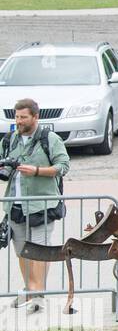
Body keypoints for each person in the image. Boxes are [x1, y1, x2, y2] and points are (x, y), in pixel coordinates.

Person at [2, 98, 71, 314]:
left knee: (39, 251)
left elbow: (63, 166)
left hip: (42, 205)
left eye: (23, 117)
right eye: (17, 116)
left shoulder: (49, 139)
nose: (19, 121)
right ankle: (30, 290)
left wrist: (37, 171)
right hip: (15, 205)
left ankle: (38, 295)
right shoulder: (9, 139)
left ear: (35, 117)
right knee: (22, 252)